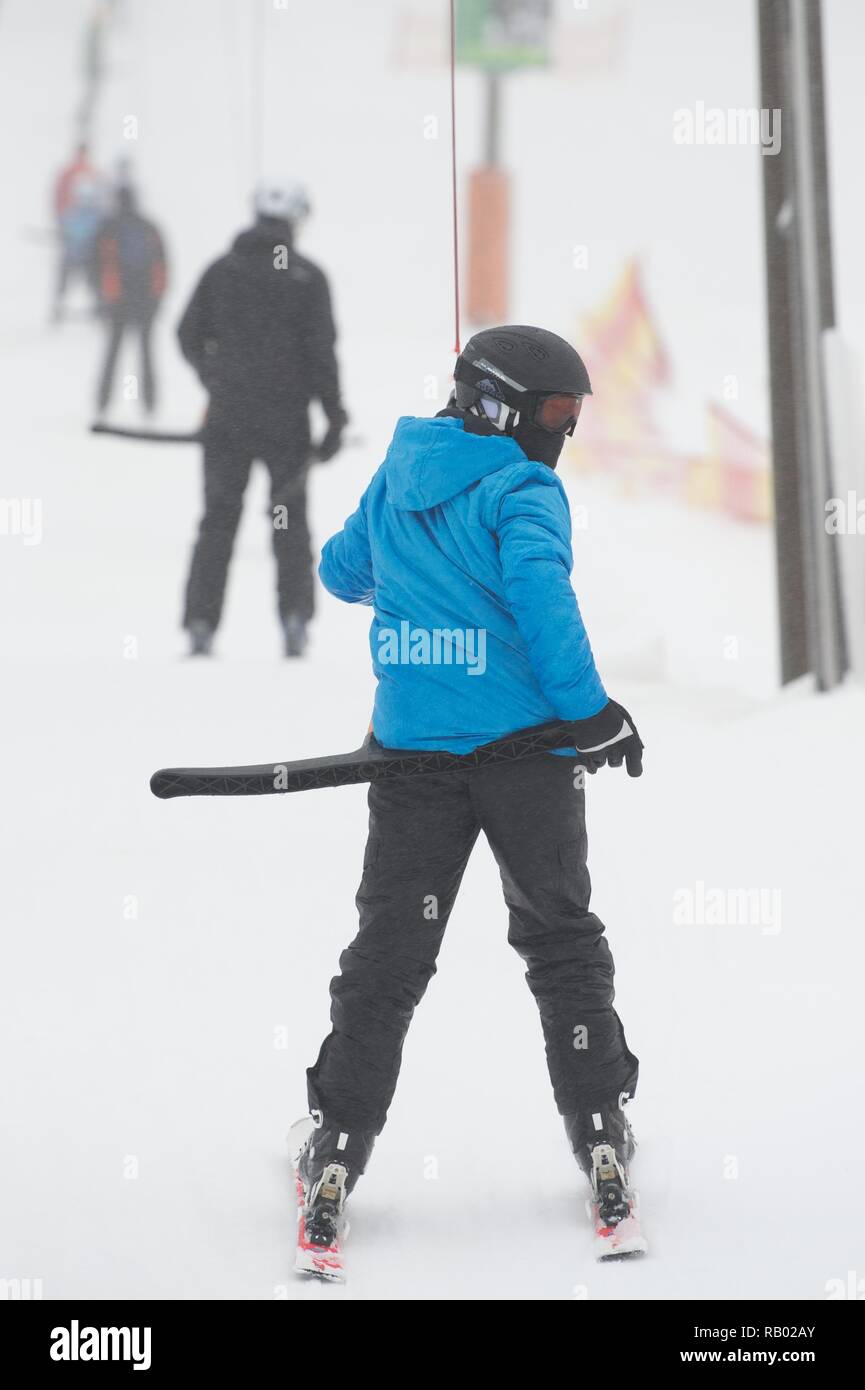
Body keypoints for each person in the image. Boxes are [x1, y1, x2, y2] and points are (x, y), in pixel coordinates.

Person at [297, 326, 644, 1253]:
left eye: (572, 420)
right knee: (559, 941)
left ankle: (337, 1137)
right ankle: (600, 1124)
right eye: (553, 416)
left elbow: (341, 572)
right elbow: (541, 597)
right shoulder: (521, 488)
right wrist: (591, 711)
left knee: (388, 960)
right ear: (498, 408)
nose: (560, 436)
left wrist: (416, 565)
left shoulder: (401, 472)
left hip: (412, 763)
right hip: (526, 762)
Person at [178, 178, 347, 658]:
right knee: (288, 522)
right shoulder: (307, 278)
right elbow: (322, 356)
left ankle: (200, 625)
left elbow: (187, 334)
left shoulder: (222, 271)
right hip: (286, 427)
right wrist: (334, 419)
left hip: (226, 424)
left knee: (217, 522)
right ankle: (295, 621)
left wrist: (217, 379)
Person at [94, 184, 167, 415]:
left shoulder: (109, 228)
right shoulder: (149, 227)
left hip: (117, 302)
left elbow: (96, 266)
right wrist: (157, 299)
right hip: (145, 301)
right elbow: (163, 265)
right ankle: (149, 402)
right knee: (146, 353)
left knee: (113, 353)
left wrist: (102, 297)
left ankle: (103, 402)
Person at [52, 143, 104, 320]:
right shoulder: (75, 174)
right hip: (75, 252)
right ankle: (59, 305)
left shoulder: (90, 173)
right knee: (67, 280)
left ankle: (98, 306)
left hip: (86, 253)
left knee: (91, 281)